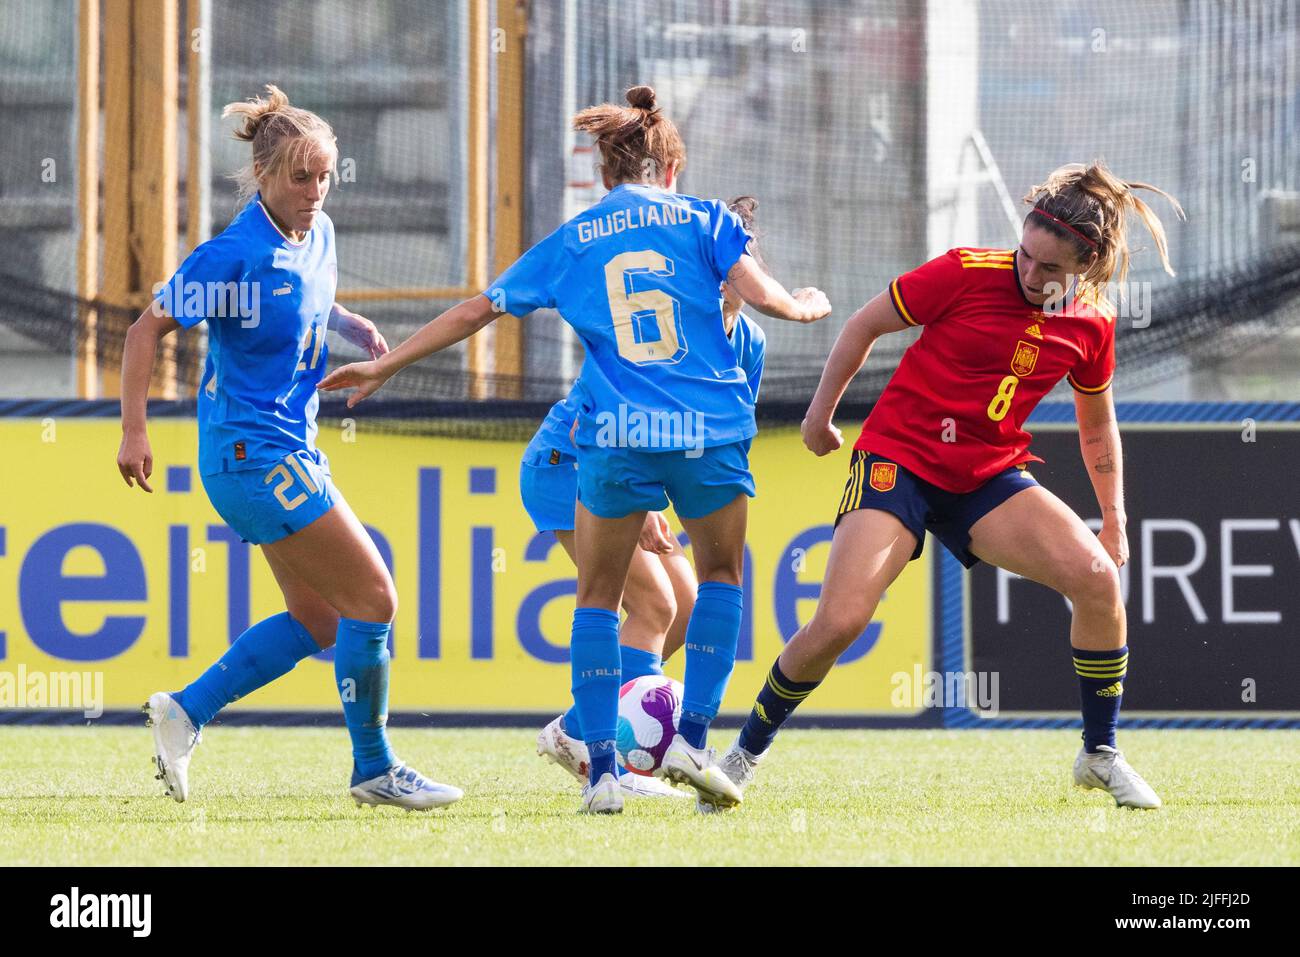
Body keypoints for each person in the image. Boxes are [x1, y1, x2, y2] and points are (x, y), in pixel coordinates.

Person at [319, 87, 829, 814]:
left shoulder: (579, 237)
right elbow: (769, 295)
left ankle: (601, 774)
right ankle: (684, 735)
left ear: (602, 173)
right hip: (696, 436)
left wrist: (386, 362)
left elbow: (478, 309)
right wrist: (808, 303)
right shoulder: (705, 222)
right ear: (672, 169)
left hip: (617, 441)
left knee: (603, 599)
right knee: (717, 579)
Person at [718, 161, 1183, 810]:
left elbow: (1097, 426)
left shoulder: (1091, 324)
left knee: (1100, 579)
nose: (1030, 274)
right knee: (841, 619)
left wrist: (1115, 517)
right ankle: (742, 754)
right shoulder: (964, 272)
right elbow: (862, 326)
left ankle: (1099, 753)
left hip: (986, 476)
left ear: (1088, 264)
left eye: (1050, 268)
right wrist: (818, 416)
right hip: (899, 458)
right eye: (1026, 255)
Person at [117, 85, 461, 810]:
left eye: (324, 176)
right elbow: (143, 330)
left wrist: (350, 323)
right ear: (264, 176)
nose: (313, 191)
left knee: (321, 619)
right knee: (375, 596)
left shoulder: (319, 234)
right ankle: (374, 766)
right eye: (299, 177)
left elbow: (304, 296)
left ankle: (184, 711)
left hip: (283, 451)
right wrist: (135, 429)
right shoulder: (233, 254)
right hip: (253, 456)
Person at [530, 197, 768, 802]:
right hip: (570, 468)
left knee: (686, 607)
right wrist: (645, 509)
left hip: (630, 476)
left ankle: (579, 731)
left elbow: (716, 433)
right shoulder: (650, 332)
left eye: (727, 278)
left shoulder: (749, 344)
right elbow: (597, 428)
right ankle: (602, 759)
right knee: (656, 606)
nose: (715, 291)